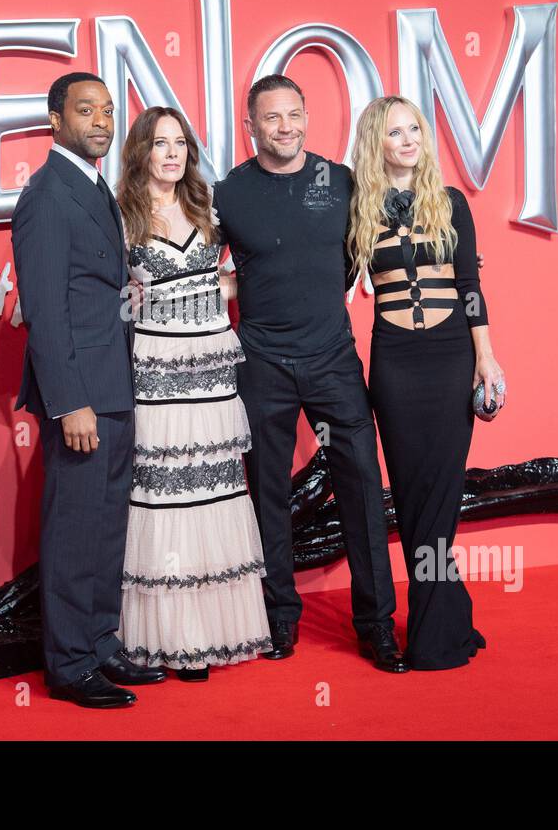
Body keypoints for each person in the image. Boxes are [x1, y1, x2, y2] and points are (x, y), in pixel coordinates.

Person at [213, 74, 406, 672]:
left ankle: (376, 625)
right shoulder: (228, 194)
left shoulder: (341, 181)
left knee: (363, 493)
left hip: (332, 360)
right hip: (261, 364)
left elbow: (352, 261)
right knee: (266, 495)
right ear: (251, 128)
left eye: (294, 114)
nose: (286, 127)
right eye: (272, 118)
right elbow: (200, 267)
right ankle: (278, 621)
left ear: (306, 116)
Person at [10, 72, 167, 708]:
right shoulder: (48, 196)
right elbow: (45, 311)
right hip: (81, 395)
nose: (101, 121)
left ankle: (101, 645)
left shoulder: (96, 187)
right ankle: (69, 663)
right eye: (85, 110)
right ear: (55, 119)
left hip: (115, 386)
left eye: (107, 110)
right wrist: (69, 400)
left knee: (106, 528)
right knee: (76, 528)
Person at [114, 106, 273, 682]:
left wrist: (221, 289)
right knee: (165, 495)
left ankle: (213, 633)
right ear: (142, 153)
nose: (173, 153)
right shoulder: (123, 215)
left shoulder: (208, 207)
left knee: (216, 488)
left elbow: (231, 277)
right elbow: (109, 294)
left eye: (180, 143)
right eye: (160, 144)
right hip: (157, 367)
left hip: (212, 365)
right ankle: (174, 638)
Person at [347, 94, 506, 670]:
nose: (409, 139)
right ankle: (449, 612)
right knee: (413, 498)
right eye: (395, 132)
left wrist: (485, 358)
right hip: (393, 364)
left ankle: (436, 631)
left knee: (440, 495)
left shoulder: (450, 202)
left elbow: (470, 287)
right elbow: (324, 278)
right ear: (376, 143)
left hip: (447, 361)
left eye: (415, 128)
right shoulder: (358, 209)